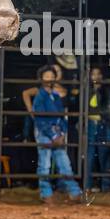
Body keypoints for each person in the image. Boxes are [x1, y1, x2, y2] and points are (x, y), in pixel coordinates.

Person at [32, 64, 81, 203]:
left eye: (52, 76)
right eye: (47, 76)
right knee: (46, 164)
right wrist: (55, 135)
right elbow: (40, 119)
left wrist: (61, 132)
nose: (50, 78)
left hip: (55, 133)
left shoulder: (53, 95)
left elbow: (61, 115)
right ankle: (47, 193)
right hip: (46, 133)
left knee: (62, 163)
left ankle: (73, 192)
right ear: (41, 79)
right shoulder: (41, 96)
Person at [84, 66, 110, 192]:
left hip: (102, 124)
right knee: (90, 156)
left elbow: (108, 109)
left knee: (103, 155)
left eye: (98, 74)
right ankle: (88, 186)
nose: (96, 77)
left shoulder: (106, 91)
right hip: (91, 124)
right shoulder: (87, 90)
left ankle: (106, 186)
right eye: (93, 74)